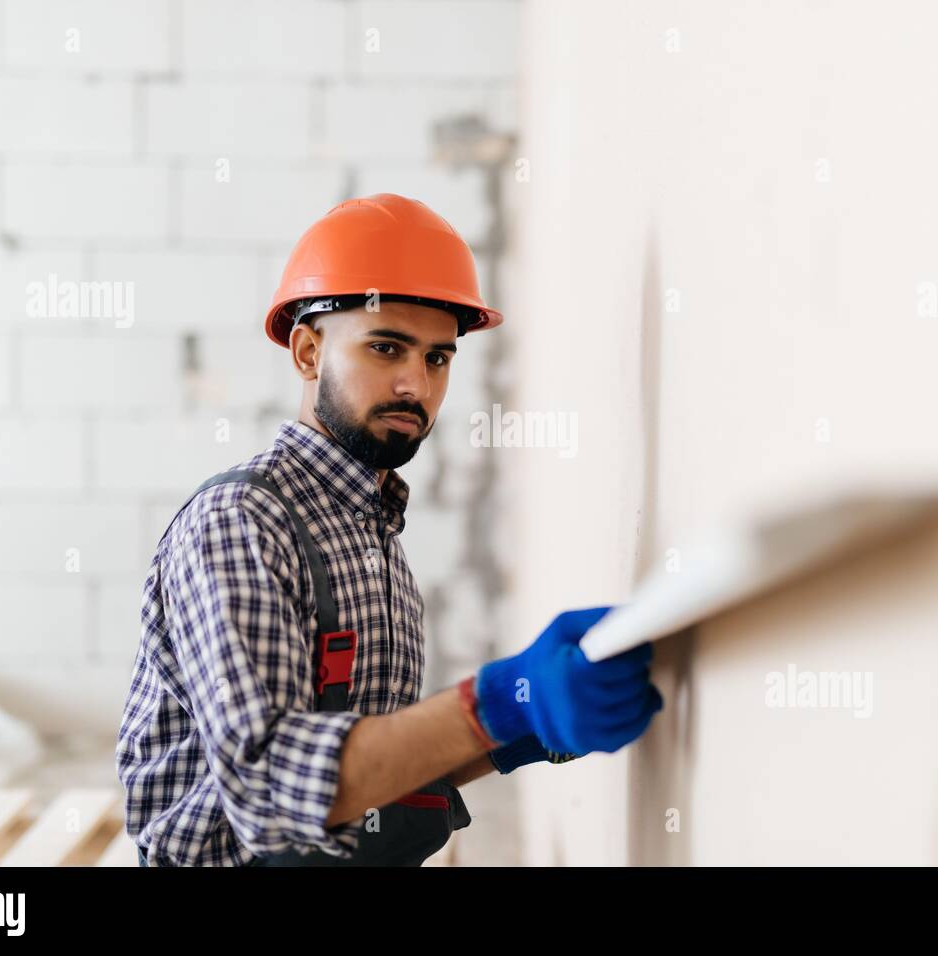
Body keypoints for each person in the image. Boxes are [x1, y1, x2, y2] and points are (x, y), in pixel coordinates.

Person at [115, 193, 662, 866]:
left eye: (438, 358)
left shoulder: (373, 533)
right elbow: (269, 786)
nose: (415, 384)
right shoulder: (242, 525)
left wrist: (521, 727)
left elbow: (370, 771)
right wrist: (493, 702)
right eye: (386, 347)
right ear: (309, 351)